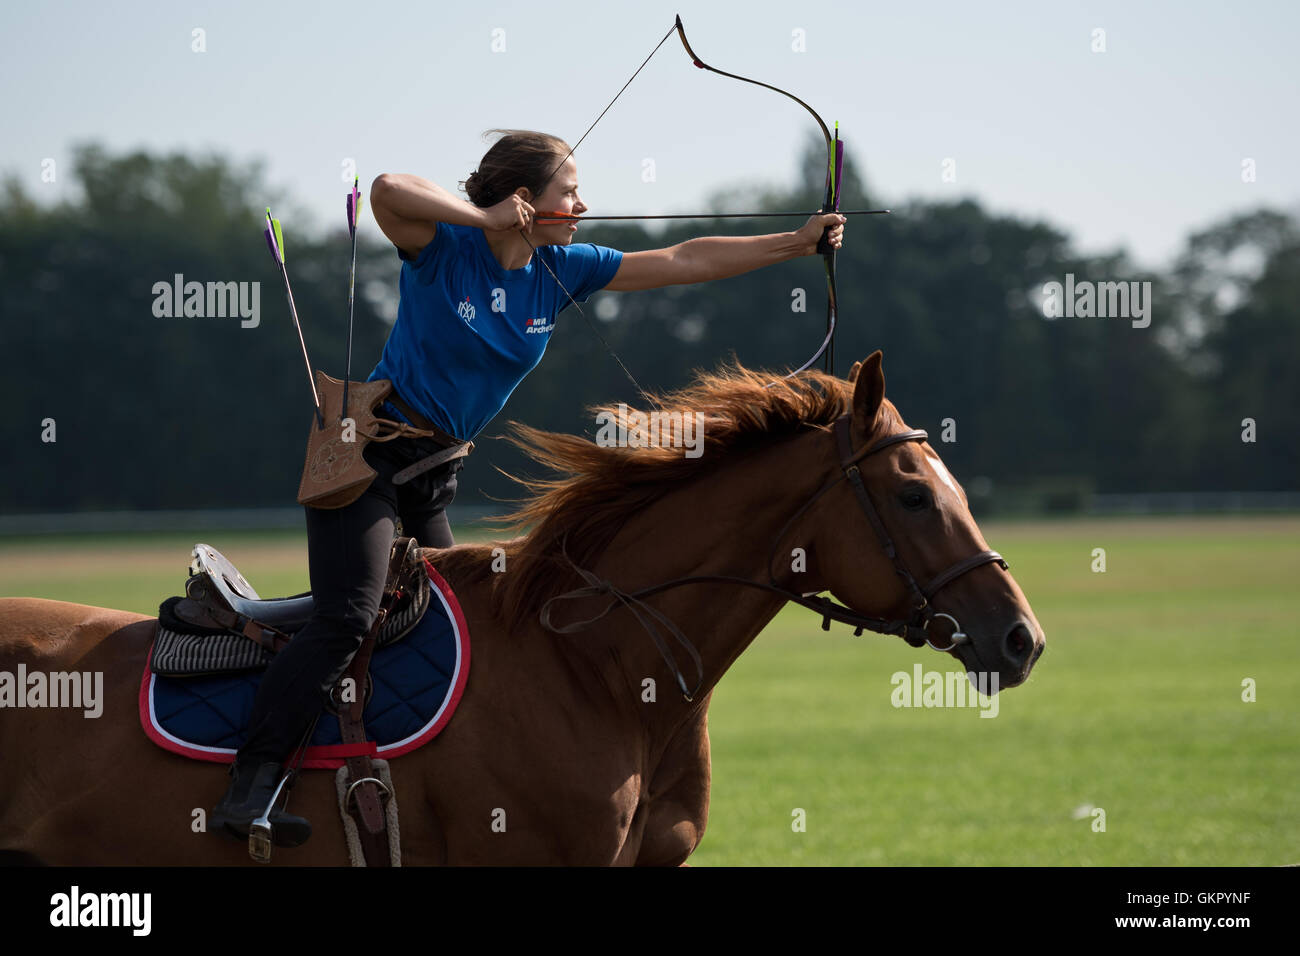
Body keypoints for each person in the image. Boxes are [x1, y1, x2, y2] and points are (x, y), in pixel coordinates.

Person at [209, 129, 846, 845]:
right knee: (348, 618)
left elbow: (681, 257)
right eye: (569, 192)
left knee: (467, 628)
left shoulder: (560, 268)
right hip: (371, 467)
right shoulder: (445, 250)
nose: (582, 204)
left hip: (433, 483)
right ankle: (251, 785)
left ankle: (414, 782)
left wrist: (795, 243)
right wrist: (482, 220)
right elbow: (386, 188)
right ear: (523, 199)